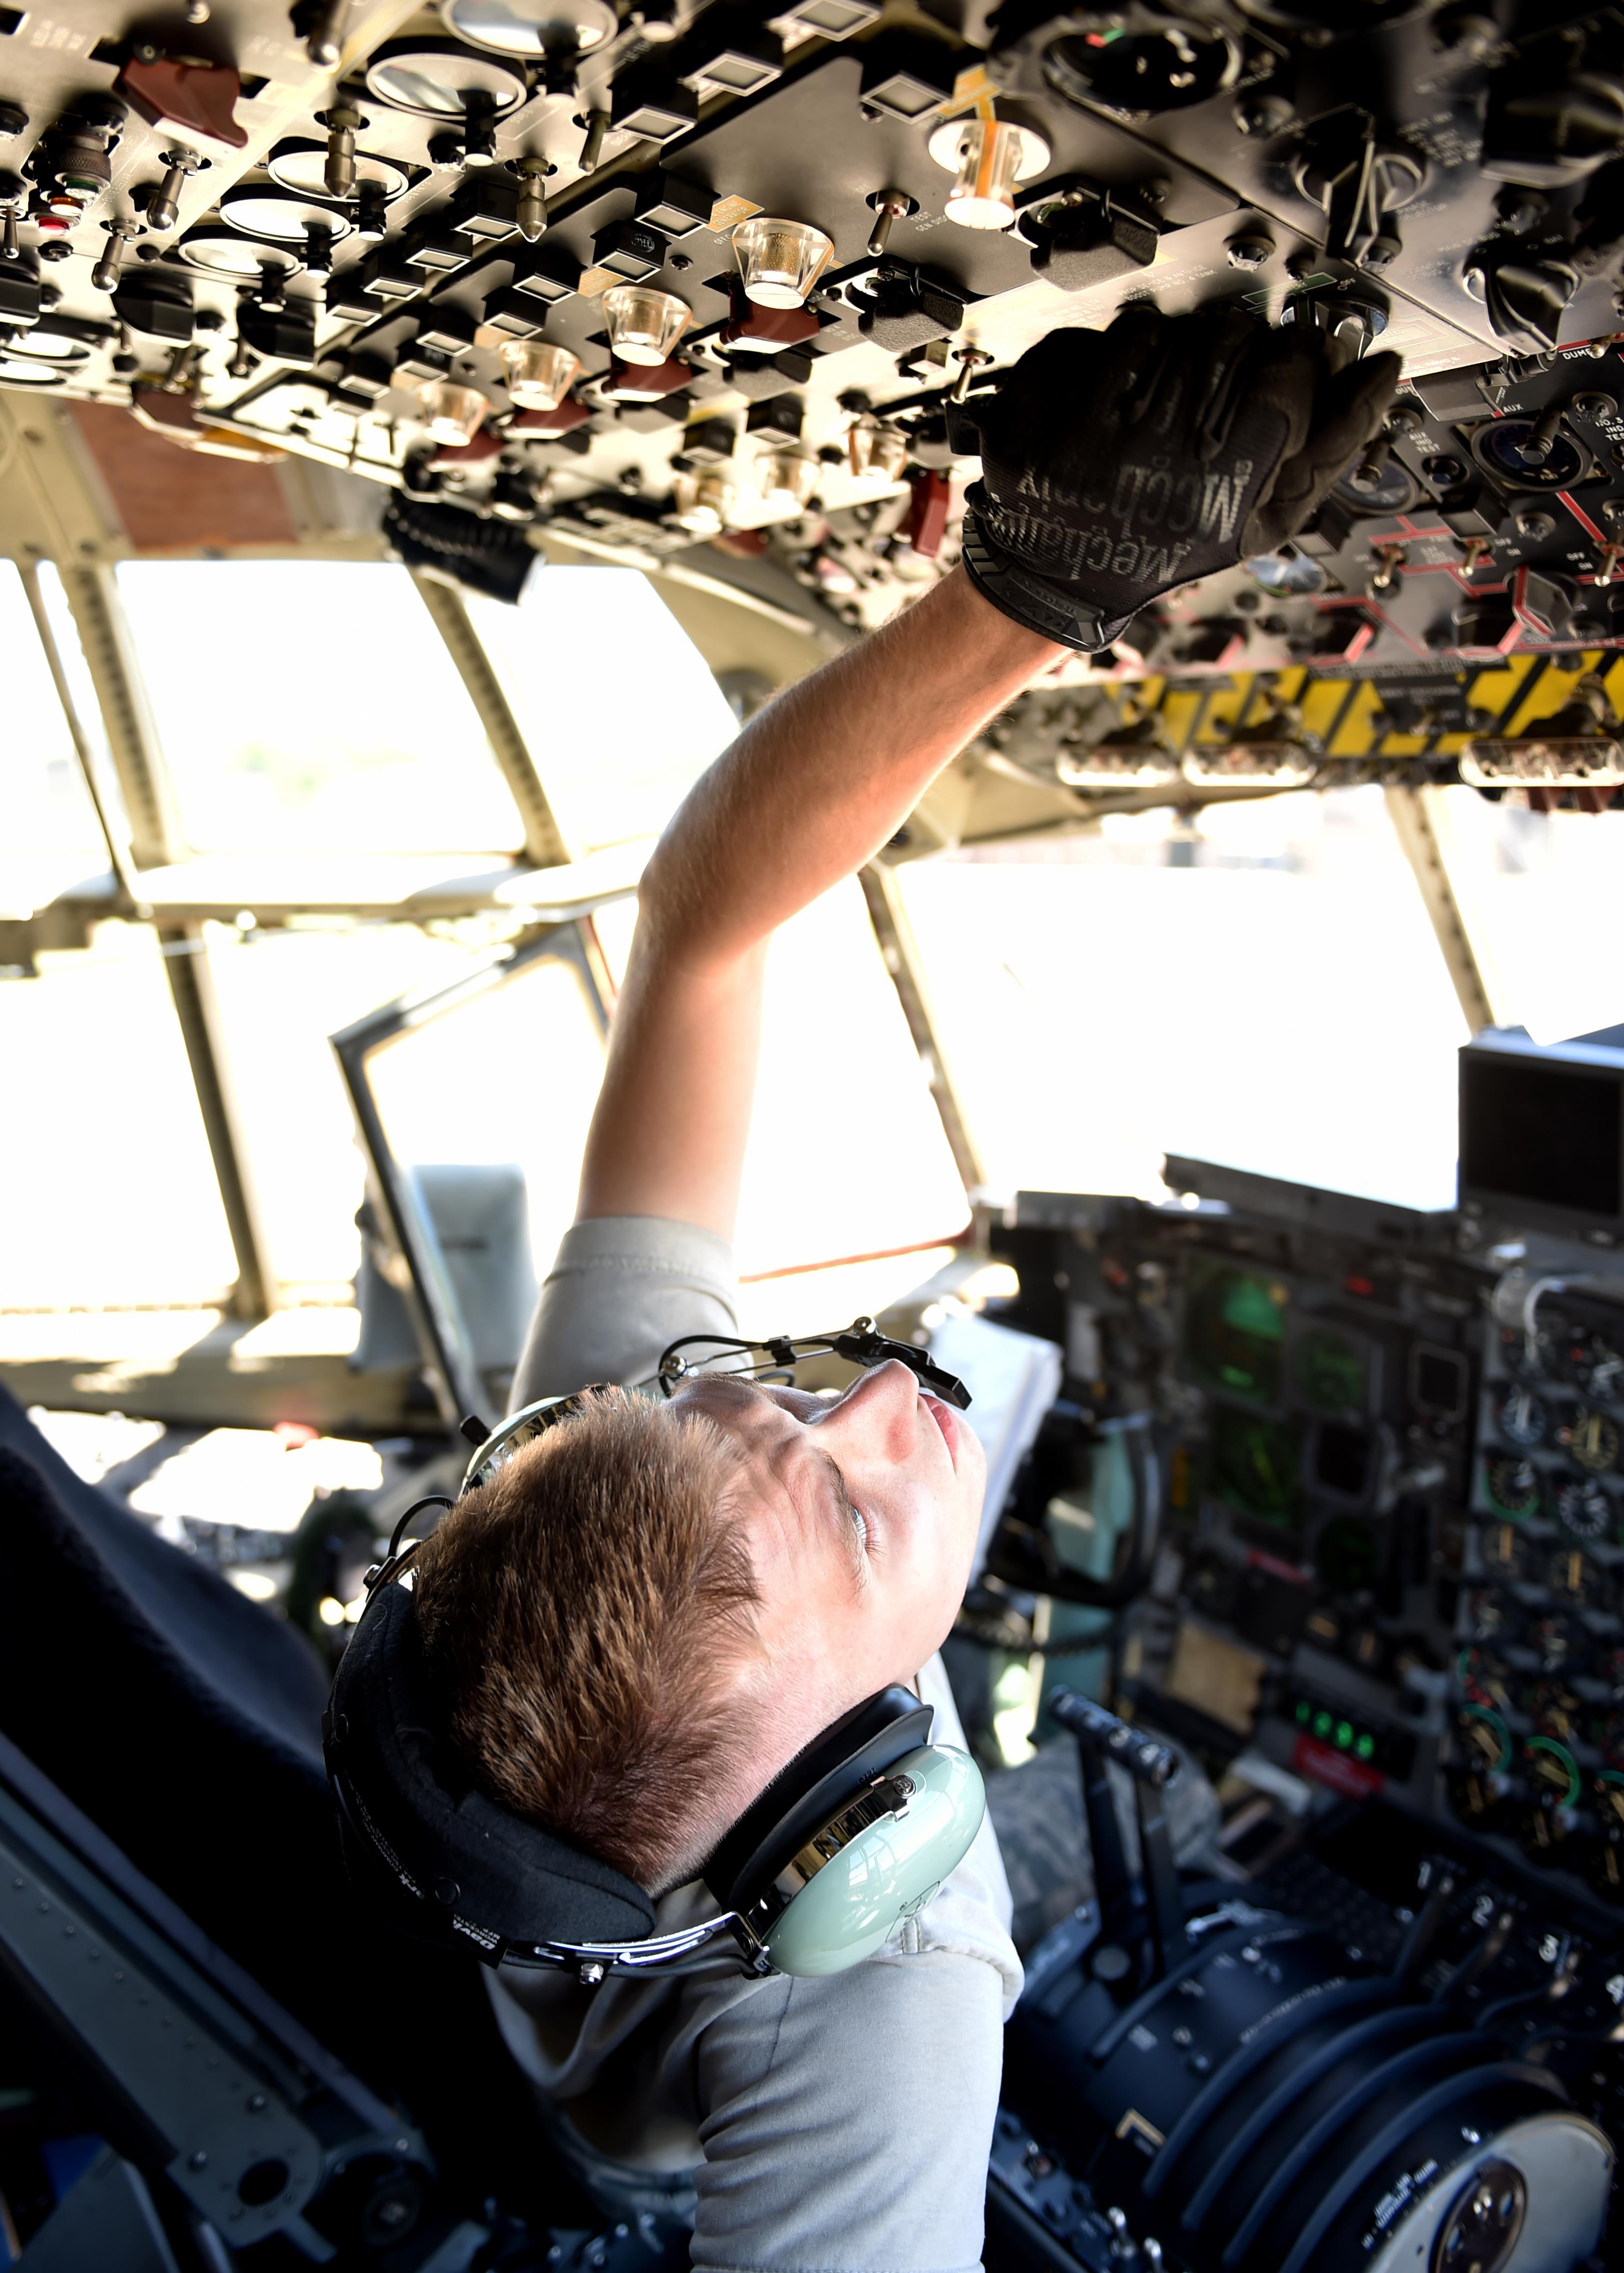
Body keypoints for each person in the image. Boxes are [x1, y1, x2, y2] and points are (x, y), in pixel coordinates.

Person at [400, 304, 1400, 2271]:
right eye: (858, 1512)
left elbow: (696, 936)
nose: (886, 1392)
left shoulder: (618, 1504)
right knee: (1199, 1828)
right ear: (853, 1814)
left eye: (756, 1406)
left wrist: (1024, 597)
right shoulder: (892, 1993)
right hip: (642, 2168)